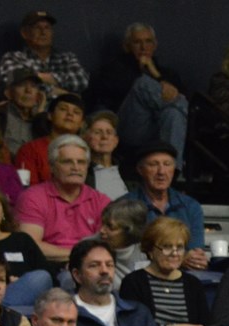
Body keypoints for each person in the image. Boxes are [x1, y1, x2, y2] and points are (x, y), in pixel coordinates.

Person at [90, 23, 188, 166]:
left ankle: (172, 172)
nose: (143, 47)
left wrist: (155, 73)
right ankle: (190, 110)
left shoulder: (168, 74)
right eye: (137, 42)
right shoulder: (114, 70)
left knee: (174, 114)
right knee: (142, 84)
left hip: (157, 131)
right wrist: (146, 74)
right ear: (127, 46)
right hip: (126, 129)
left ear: (155, 45)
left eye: (148, 41)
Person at [14, 134, 109, 263]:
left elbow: (111, 243)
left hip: (93, 266)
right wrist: (79, 256)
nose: (76, 167)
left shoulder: (101, 200)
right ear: (52, 167)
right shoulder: (32, 197)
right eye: (67, 161)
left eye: (81, 162)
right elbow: (30, 245)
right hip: (47, 267)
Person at [120, 217, 213, 326]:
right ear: (150, 250)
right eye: (167, 247)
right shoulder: (133, 282)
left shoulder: (193, 284)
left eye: (179, 247)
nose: (175, 253)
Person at [122, 144, 208, 269]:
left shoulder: (191, 206)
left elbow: (195, 254)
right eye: (153, 165)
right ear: (140, 170)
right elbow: (130, 256)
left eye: (167, 164)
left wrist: (190, 258)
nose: (161, 172)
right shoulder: (125, 206)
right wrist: (180, 258)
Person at [0, 186, 51, 306]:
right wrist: (5, 283)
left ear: (3, 211)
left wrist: (22, 284)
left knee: (41, 278)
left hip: (27, 303)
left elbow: (46, 276)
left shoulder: (21, 240)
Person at [0, 10, 88, 101]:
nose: (43, 32)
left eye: (47, 28)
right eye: (37, 28)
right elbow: (21, 91)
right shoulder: (13, 58)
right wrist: (67, 94)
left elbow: (81, 81)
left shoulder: (67, 58)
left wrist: (39, 76)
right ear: (25, 33)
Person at [12, 93, 85, 186]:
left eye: (76, 112)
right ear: (50, 115)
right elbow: (27, 190)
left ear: (82, 123)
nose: (70, 114)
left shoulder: (85, 152)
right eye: (63, 109)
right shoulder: (30, 150)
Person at [0, 68, 45, 156]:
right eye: (21, 85)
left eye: (33, 86)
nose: (28, 90)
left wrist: (40, 113)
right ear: (8, 93)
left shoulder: (43, 119)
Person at [82, 111, 127, 199]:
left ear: (116, 141)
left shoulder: (128, 172)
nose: (104, 137)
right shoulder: (81, 172)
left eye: (109, 132)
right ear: (86, 138)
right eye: (98, 132)